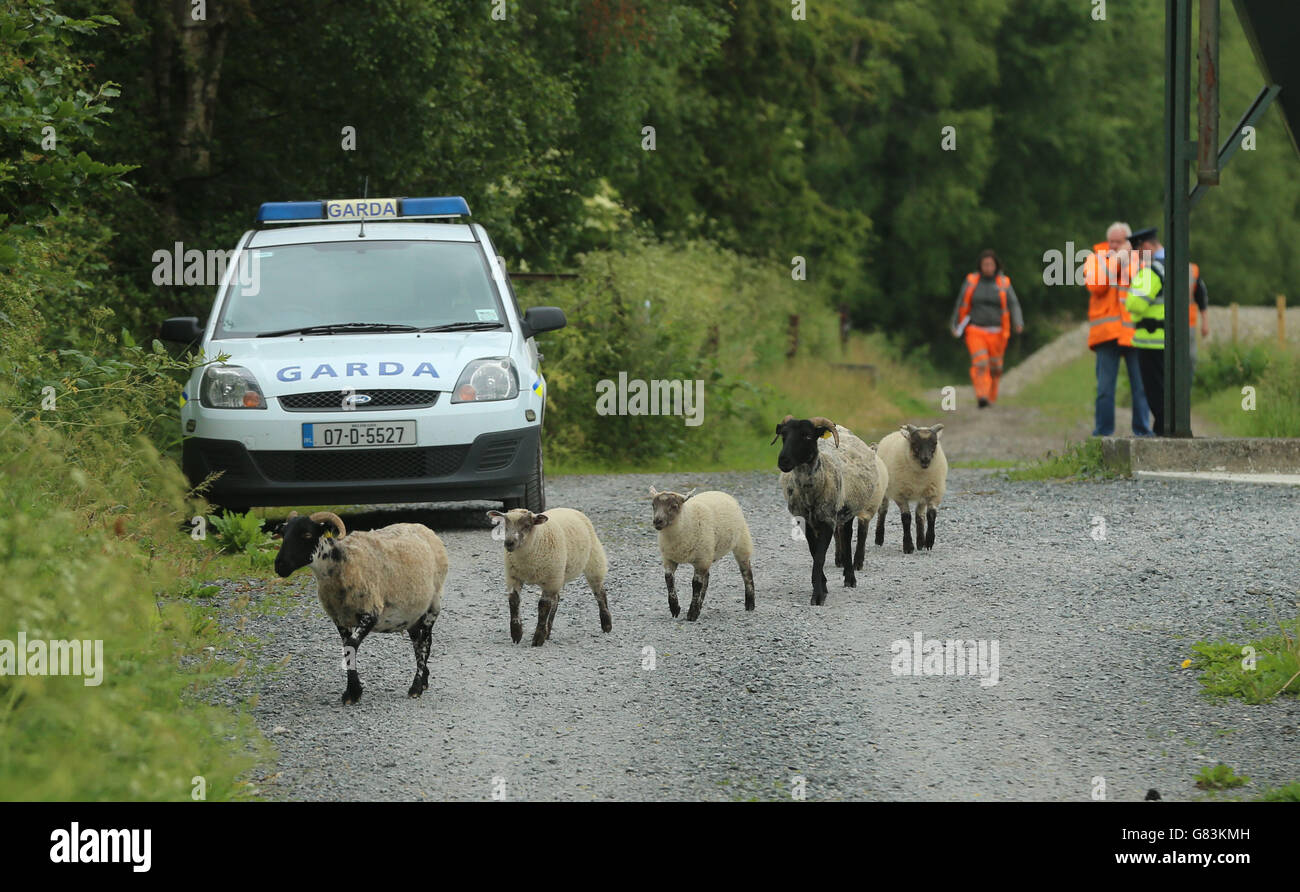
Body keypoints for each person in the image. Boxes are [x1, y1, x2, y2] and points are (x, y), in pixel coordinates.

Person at [1084, 222, 1152, 437]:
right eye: (1111, 241)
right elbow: (1096, 285)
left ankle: (1142, 431)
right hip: (1106, 334)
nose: (1113, 245)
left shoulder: (1141, 260)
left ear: (1129, 242)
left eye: (1119, 242)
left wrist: (1126, 258)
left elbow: (1144, 287)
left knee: (1141, 388)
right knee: (1105, 390)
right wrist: (1117, 259)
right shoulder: (1095, 259)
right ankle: (1103, 434)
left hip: (1134, 334)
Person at [950, 249, 1023, 408]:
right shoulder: (972, 281)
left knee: (996, 368)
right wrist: (955, 324)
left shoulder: (1004, 283)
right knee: (981, 363)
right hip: (975, 330)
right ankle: (981, 395)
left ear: (996, 265)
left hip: (997, 333)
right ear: (980, 266)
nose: (988, 267)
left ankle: (991, 396)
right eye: (985, 264)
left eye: (991, 264)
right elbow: (960, 303)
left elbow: (1014, 304)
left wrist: (1018, 321)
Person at [1125, 226, 1168, 435]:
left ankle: (1163, 432)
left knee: (1155, 392)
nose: (1138, 257)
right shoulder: (1176, 264)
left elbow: (1135, 304)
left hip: (1151, 340)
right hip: (1169, 339)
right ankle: (1165, 429)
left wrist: (1133, 291)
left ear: (1148, 246)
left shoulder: (1154, 270)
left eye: (1139, 251)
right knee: (1167, 390)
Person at [1188, 262, 1209, 373]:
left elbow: (1201, 297)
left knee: (1190, 358)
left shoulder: (1192, 270)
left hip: (1188, 323)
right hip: (1163, 323)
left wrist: (1205, 322)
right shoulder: (1158, 266)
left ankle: (1186, 387)